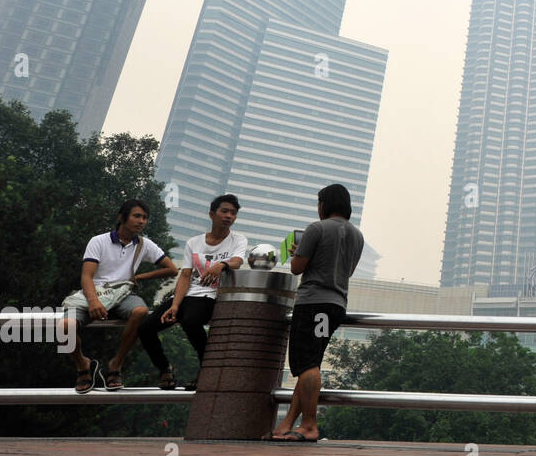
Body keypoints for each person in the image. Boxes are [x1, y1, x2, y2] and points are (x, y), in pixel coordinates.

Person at [267, 183, 363, 442]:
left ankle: (309, 425)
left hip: (312, 303)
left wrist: (296, 254)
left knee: (307, 364)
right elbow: (348, 272)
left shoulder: (316, 229)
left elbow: (297, 268)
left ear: (325, 204)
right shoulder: (358, 235)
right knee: (312, 365)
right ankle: (287, 424)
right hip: (335, 305)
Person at [61, 199, 178, 392]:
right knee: (65, 327)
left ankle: (115, 364)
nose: (141, 221)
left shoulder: (144, 244)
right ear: (122, 217)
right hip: (94, 293)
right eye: (137, 216)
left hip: (123, 295)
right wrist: (93, 301)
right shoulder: (99, 241)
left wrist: (138, 276)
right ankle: (83, 364)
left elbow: (172, 269)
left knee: (140, 311)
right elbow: (87, 276)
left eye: (145, 218)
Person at [138, 194, 247, 390]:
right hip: (189, 296)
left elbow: (237, 262)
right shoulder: (194, 242)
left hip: (213, 296)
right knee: (145, 327)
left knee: (191, 321)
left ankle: (206, 369)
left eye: (233, 213)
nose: (229, 216)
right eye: (224, 211)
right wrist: (174, 305)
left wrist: (221, 264)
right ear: (212, 214)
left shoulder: (237, 240)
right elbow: (186, 276)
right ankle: (164, 369)